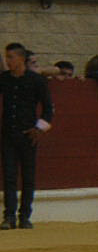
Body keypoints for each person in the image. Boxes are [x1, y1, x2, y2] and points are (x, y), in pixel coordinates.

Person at [0, 43, 54, 230]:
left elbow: (49, 109)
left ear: (21, 59)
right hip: (8, 134)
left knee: (28, 177)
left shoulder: (36, 80)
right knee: (9, 176)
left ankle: (24, 217)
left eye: (11, 57)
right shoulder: (3, 79)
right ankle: (9, 216)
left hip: (28, 135)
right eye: (7, 57)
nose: (8, 61)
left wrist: (38, 129)